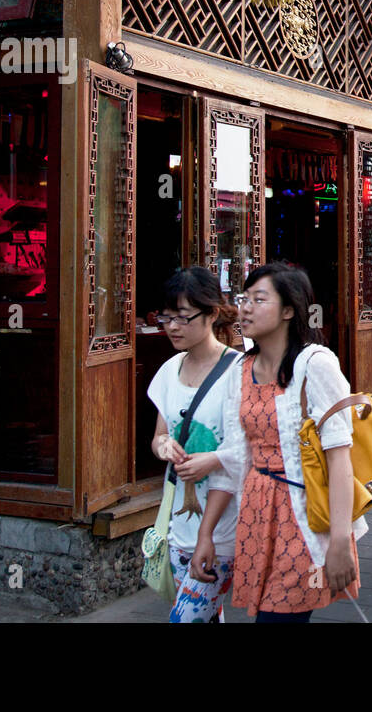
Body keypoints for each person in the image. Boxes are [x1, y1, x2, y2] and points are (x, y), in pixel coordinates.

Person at [199, 263, 362, 623]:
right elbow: (235, 460)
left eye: (259, 299)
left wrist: (339, 540)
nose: (246, 308)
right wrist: (206, 535)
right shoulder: (240, 370)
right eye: (244, 298)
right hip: (256, 516)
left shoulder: (316, 364)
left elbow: (338, 458)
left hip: (303, 517)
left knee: (278, 617)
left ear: (289, 310)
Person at [147, 267, 242, 623]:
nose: (172, 326)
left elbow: (246, 450)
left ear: (212, 313)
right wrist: (165, 448)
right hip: (179, 526)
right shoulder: (169, 370)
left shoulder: (239, 372)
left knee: (185, 619)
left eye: (183, 317)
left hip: (224, 529)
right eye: (166, 317)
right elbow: (159, 436)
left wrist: (213, 459)